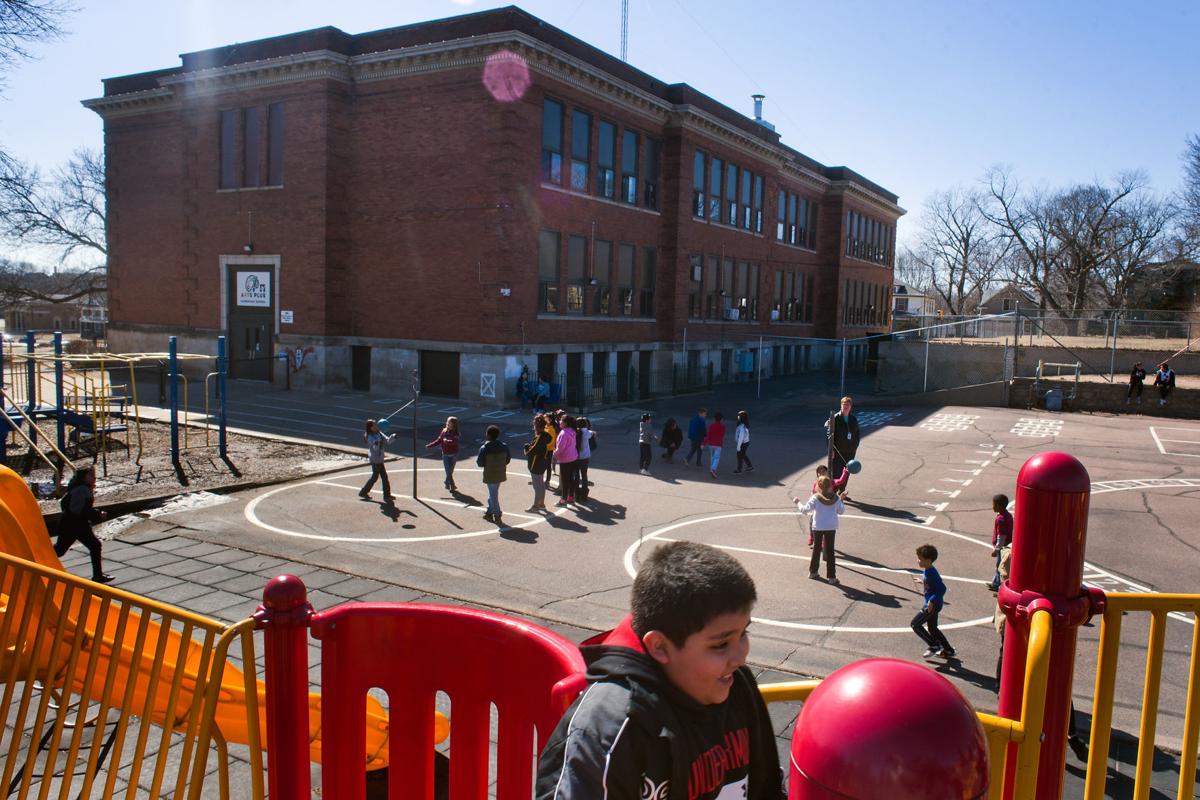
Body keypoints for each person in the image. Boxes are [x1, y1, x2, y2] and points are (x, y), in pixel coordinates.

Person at [534, 540, 783, 800]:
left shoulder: (737, 686)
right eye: (721, 644)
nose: (740, 657)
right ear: (659, 646)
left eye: (744, 633)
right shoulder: (614, 725)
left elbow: (766, 787)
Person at [54, 466, 112, 583]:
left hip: (72, 524)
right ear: (84, 477)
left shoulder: (76, 487)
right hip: (75, 525)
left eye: (94, 475)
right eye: (91, 475)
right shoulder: (83, 490)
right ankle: (97, 576)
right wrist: (98, 514)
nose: (94, 478)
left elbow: (66, 504)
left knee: (93, 546)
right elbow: (81, 510)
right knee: (60, 550)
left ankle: (98, 575)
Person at [794, 476, 845, 584]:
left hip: (818, 527)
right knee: (830, 552)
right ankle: (831, 577)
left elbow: (804, 510)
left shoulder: (815, 497)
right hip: (831, 527)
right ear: (830, 486)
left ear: (819, 486)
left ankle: (813, 572)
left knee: (816, 549)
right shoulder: (835, 498)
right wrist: (841, 499)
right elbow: (841, 511)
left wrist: (798, 502)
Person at [911, 544, 956, 659]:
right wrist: (923, 582)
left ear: (928, 560)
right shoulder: (928, 570)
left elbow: (942, 588)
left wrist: (931, 601)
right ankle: (948, 650)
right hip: (935, 604)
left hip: (931, 606)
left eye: (920, 559)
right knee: (933, 629)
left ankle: (934, 645)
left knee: (915, 625)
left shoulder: (931, 573)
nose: (918, 561)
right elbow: (932, 585)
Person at [476, 424, 511, 525]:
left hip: (490, 474)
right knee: (493, 493)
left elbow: (480, 463)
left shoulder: (484, 448)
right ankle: (489, 511)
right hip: (500, 473)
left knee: (493, 495)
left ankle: (497, 513)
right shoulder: (504, 446)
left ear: (488, 435)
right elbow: (508, 459)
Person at [825, 396, 860, 495]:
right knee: (837, 472)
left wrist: (855, 447)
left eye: (847, 405)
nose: (845, 407)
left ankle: (842, 491)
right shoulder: (835, 418)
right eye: (843, 405)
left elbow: (857, 434)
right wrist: (831, 449)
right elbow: (829, 434)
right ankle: (833, 492)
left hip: (850, 451)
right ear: (840, 406)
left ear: (850, 407)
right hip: (838, 451)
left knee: (847, 472)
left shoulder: (853, 419)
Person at [807, 464, 849, 546]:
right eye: (819, 472)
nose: (821, 473)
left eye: (823, 471)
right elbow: (812, 493)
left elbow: (840, 481)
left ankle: (824, 542)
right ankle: (812, 536)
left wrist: (845, 472)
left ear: (827, 472)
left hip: (828, 503)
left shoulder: (830, 482)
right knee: (812, 521)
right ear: (817, 474)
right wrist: (812, 500)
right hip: (819, 504)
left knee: (825, 523)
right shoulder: (816, 483)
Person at [358, 419, 395, 504]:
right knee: (384, 477)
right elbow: (375, 448)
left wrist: (393, 437)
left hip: (380, 459)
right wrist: (376, 443)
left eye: (376, 425)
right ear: (370, 428)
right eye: (374, 425)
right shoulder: (369, 436)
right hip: (375, 459)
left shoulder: (379, 433)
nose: (376, 426)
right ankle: (386, 496)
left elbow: (388, 440)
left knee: (375, 477)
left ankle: (363, 492)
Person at [523, 414, 553, 512]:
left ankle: (536, 506)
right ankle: (541, 504)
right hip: (542, 462)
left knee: (537, 486)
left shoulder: (540, 437)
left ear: (536, 425)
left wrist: (526, 448)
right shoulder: (544, 435)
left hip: (536, 464)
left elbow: (531, 451)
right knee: (540, 484)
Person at [425, 416, 461, 493]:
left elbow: (454, 442)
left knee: (450, 471)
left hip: (454, 454)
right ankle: (452, 485)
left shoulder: (456, 433)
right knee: (448, 471)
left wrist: (446, 441)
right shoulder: (444, 431)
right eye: (447, 422)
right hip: (445, 454)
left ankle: (447, 482)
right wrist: (430, 445)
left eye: (449, 422)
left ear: (453, 424)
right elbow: (439, 440)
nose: (447, 423)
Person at [988, 493, 1013, 591]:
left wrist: (996, 549)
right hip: (1008, 546)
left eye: (993, 504)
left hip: (1002, 548)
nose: (992, 507)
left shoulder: (1000, 519)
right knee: (1000, 566)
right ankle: (995, 583)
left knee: (1000, 567)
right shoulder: (1008, 515)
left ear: (998, 506)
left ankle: (999, 586)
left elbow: (1001, 536)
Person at [554, 413, 579, 506]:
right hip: (573, 457)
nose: (559, 422)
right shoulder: (572, 431)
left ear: (565, 423)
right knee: (571, 479)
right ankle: (570, 497)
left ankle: (563, 500)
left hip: (565, 459)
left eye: (561, 420)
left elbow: (560, 448)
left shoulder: (563, 433)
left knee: (565, 481)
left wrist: (554, 454)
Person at [576, 417, 595, 503]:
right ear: (585, 424)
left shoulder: (575, 431)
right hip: (585, 457)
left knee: (576, 476)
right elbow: (593, 433)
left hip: (576, 457)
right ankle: (584, 495)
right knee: (584, 476)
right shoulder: (586, 432)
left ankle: (576, 494)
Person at [705, 411, 726, 479]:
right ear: (721, 419)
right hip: (718, 444)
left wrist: (704, 443)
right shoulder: (723, 427)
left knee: (712, 457)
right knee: (716, 458)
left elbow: (708, 436)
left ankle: (711, 468)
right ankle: (713, 469)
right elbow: (722, 435)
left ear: (714, 418)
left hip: (711, 444)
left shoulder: (711, 426)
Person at [733, 410, 753, 474]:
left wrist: (738, 446)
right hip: (745, 443)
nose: (737, 417)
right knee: (743, 455)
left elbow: (741, 438)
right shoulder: (744, 425)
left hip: (742, 443)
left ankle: (739, 469)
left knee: (739, 456)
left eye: (739, 416)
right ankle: (750, 466)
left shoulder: (742, 427)